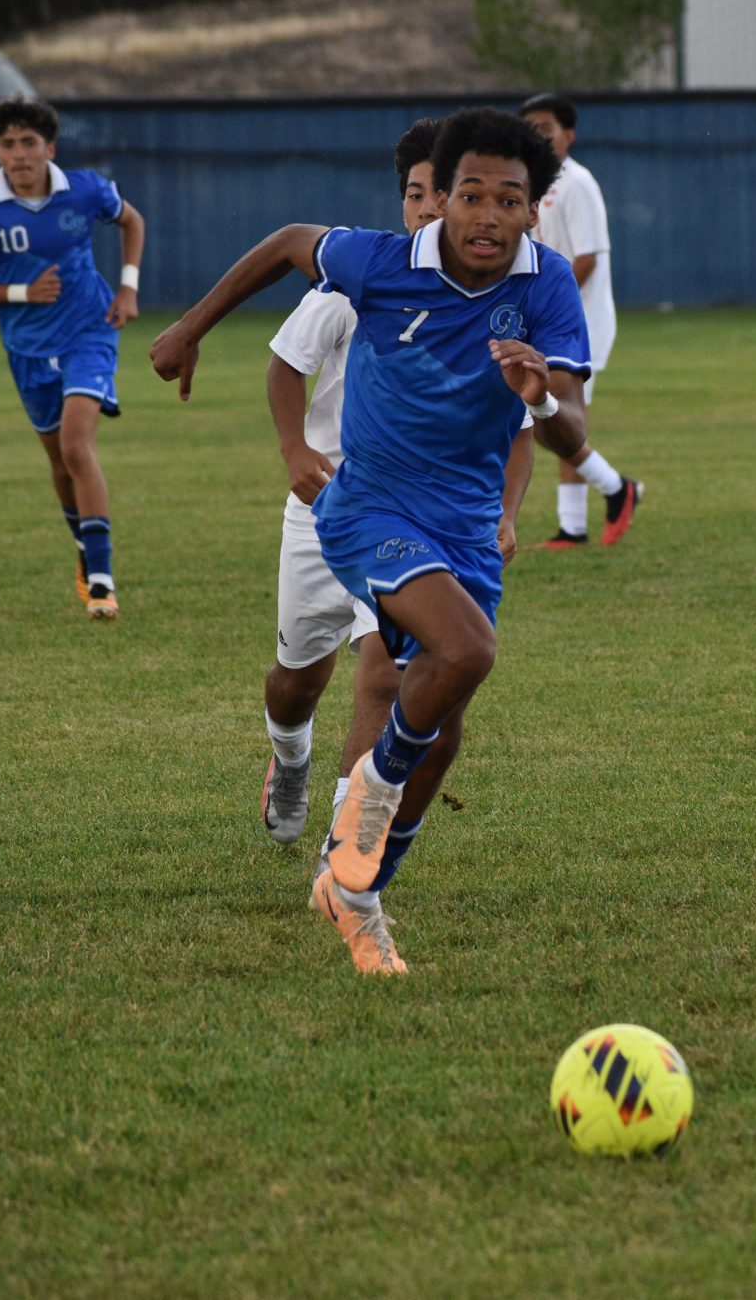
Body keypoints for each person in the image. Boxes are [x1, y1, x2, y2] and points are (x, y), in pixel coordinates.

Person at [152, 108, 587, 976]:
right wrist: (191, 327)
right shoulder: (380, 262)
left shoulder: (547, 286)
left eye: (511, 199)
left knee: (447, 724)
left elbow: (573, 433)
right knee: (465, 650)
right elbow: (285, 243)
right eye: (470, 194)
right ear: (442, 198)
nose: (487, 216)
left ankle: (356, 890)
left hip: (460, 524)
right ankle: (365, 800)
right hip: (366, 505)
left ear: (536, 210)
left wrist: (538, 398)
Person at [260, 118, 536, 905]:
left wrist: (507, 512)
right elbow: (285, 362)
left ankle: (343, 854)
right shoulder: (365, 276)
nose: (429, 209)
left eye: (442, 195)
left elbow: (520, 432)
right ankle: (289, 755)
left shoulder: (497, 301)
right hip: (327, 507)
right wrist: (292, 451)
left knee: (384, 675)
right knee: (295, 681)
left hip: (419, 517)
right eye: (417, 194)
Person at [0, 97, 146, 619]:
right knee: (58, 462)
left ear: (49, 148)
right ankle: (84, 547)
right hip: (28, 349)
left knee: (78, 447)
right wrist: (20, 294)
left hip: (89, 333)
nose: (19, 154)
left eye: (29, 142)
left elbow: (132, 222)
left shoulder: (85, 189)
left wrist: (127, 288)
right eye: (8, 144)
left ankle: (101, 581)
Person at [519, 92, 643, 548]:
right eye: (528, 127)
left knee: (558, 418)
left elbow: (587, 258)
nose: (536, 134)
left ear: (568, 135)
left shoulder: (577, 183)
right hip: (553, 323)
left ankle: (598, 503)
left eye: (545, 127)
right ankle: (597, 503)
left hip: (580, 322)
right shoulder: (533, 183)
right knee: (546, 418)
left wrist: (546, 304)